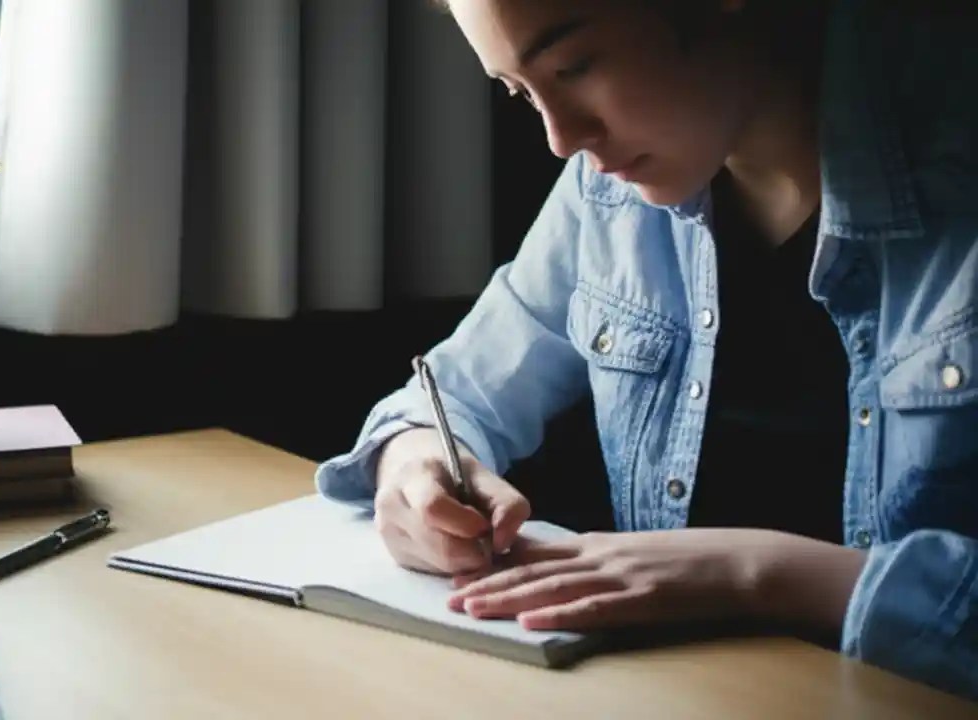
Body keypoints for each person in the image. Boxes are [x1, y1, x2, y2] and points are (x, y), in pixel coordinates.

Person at [314, 0, 978, 701]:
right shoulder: (610, 191)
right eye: (517, 90)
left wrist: (761, 575)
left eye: (574, 66)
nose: (561, 139)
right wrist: (414, 461)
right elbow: (457, 391)